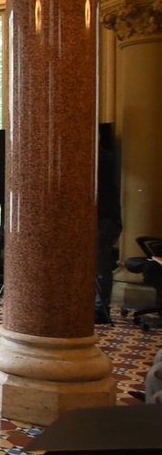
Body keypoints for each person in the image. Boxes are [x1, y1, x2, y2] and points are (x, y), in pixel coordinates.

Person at [95, 128, 122, 324]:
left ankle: (100, 310)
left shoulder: (102, 160)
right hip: (100, 219)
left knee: (100, 266)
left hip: (104, 221)